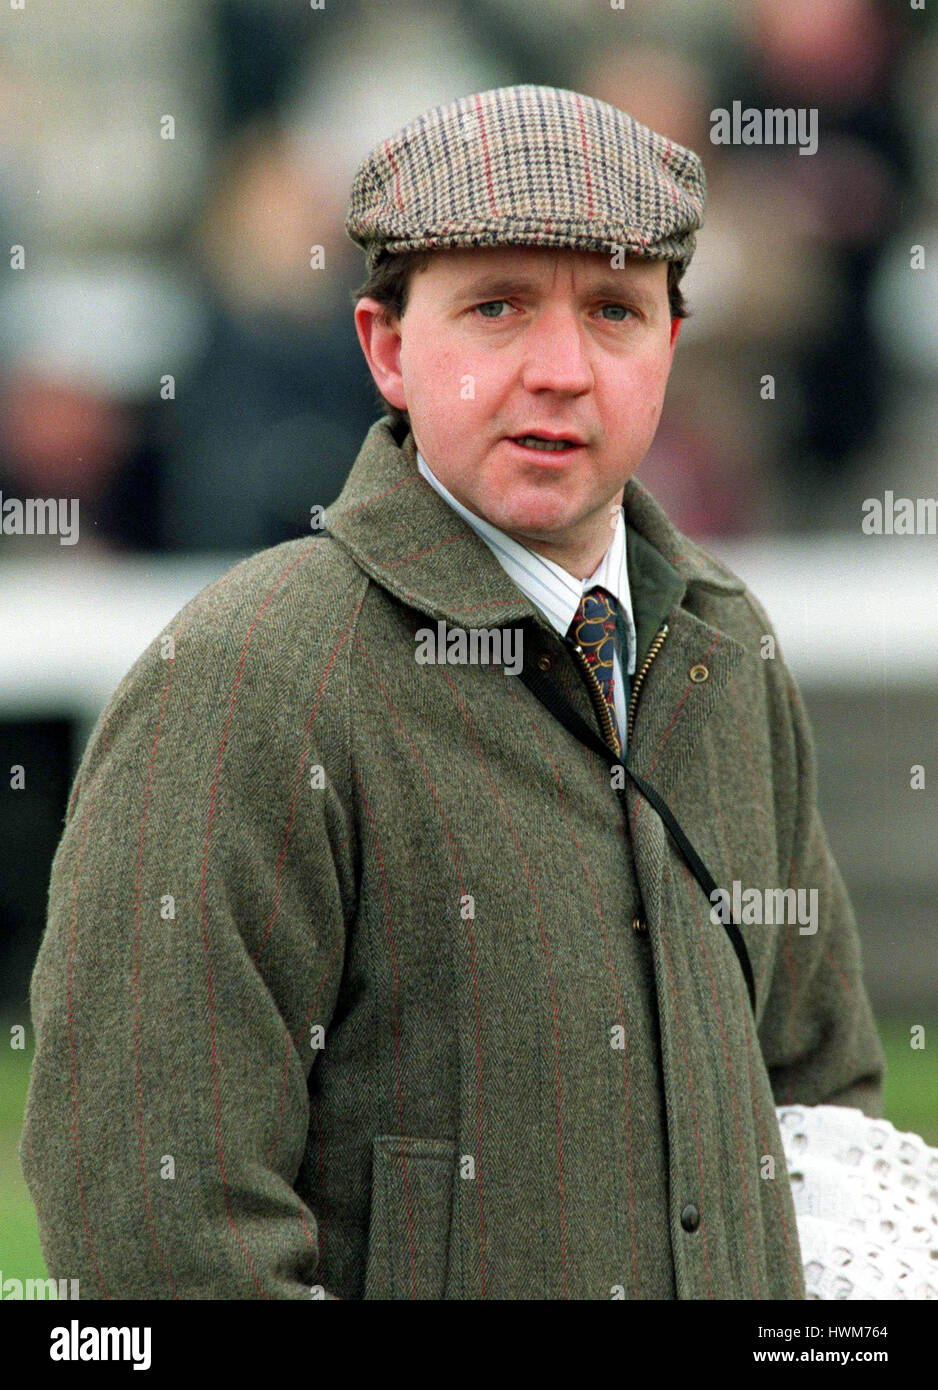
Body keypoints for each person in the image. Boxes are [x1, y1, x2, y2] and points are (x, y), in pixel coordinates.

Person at [21, 84, 884, 1300]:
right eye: (496, 308)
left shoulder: (726, 653)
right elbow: (159, 1237)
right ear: (385, 348)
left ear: (669, 350)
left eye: (615, 311)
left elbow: (821, 1123)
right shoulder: (241, 678)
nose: (561, 370)